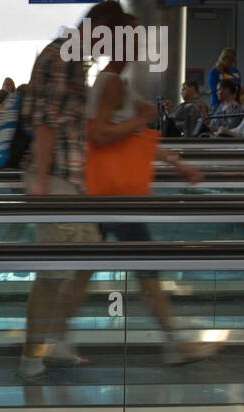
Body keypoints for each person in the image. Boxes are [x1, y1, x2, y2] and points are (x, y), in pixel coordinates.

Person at [17, 0, 129, 381]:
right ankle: (32, 356)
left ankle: (55, 341)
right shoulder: (64, 58)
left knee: (82, 260)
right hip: (56, 180)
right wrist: (42, 187)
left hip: (69, 179)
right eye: (113, 41)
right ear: (98, 27)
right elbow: (47, 124)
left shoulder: (71, 57)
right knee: (51, 274)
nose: (112, 52)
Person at [88, 31, 216, 365]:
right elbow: (101, 135)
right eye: (131, 36)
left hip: (111, 194)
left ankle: (49, 341)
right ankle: (175, 342)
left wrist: (175, 162)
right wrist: (140, 119)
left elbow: (132, 140)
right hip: (116, 196)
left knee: (84, 268)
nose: (139, 44)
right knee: (144, 270)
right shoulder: (112, 82)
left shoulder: (115, 82)